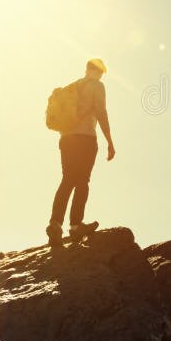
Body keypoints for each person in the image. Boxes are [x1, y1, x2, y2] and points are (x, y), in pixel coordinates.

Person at [46, 58, 115, 246]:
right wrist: (109, 140)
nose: (101, 75)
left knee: (67, 179)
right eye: (100, 71)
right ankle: (76, 227)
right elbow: (101, 112)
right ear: (92, 70)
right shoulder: (97, 86)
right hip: (85, 138)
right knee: (82, 181)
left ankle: (55, 224)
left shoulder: (73, 87)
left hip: (66, 139)